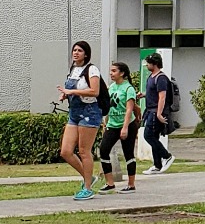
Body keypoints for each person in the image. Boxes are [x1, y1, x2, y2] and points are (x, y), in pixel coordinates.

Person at [59, 41, 101, 200]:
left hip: (89, 111)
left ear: (86, 54)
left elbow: (94, 91)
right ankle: (88, 177)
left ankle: (88, 187)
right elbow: (72, 90)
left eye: (80, 50)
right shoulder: (73, 70)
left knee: (84, 151)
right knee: (66, 151)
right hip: (74, 112)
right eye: (74, 50)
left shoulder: (92, 69)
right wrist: (65, 94)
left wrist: (72, 91)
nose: (76, 53)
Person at [98, 61, 140, 193]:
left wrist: (125, 127)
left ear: (122, 73)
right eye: (110, 71)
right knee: (103, 150)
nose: (111, 73)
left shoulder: (128, 89)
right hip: (112, 124)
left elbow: (129, 109)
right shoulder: (111, 87)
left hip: (127, 124)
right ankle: (110, 183)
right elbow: (109, 106)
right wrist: (106, 121)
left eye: (114, 71)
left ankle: (131, 184)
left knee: (128, 153)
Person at [142, 53, 176, 175]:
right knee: (154, 137)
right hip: (150, 110)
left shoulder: (161, 78)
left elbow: (162, 97)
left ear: (154, 63)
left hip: (156, 111)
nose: (146, 65)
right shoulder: (151, 77)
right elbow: (153, 92)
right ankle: (157, 165)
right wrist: (143, 95)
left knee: (148, 135)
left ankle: (166, 156)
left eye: (148, 62)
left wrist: (159, 114)